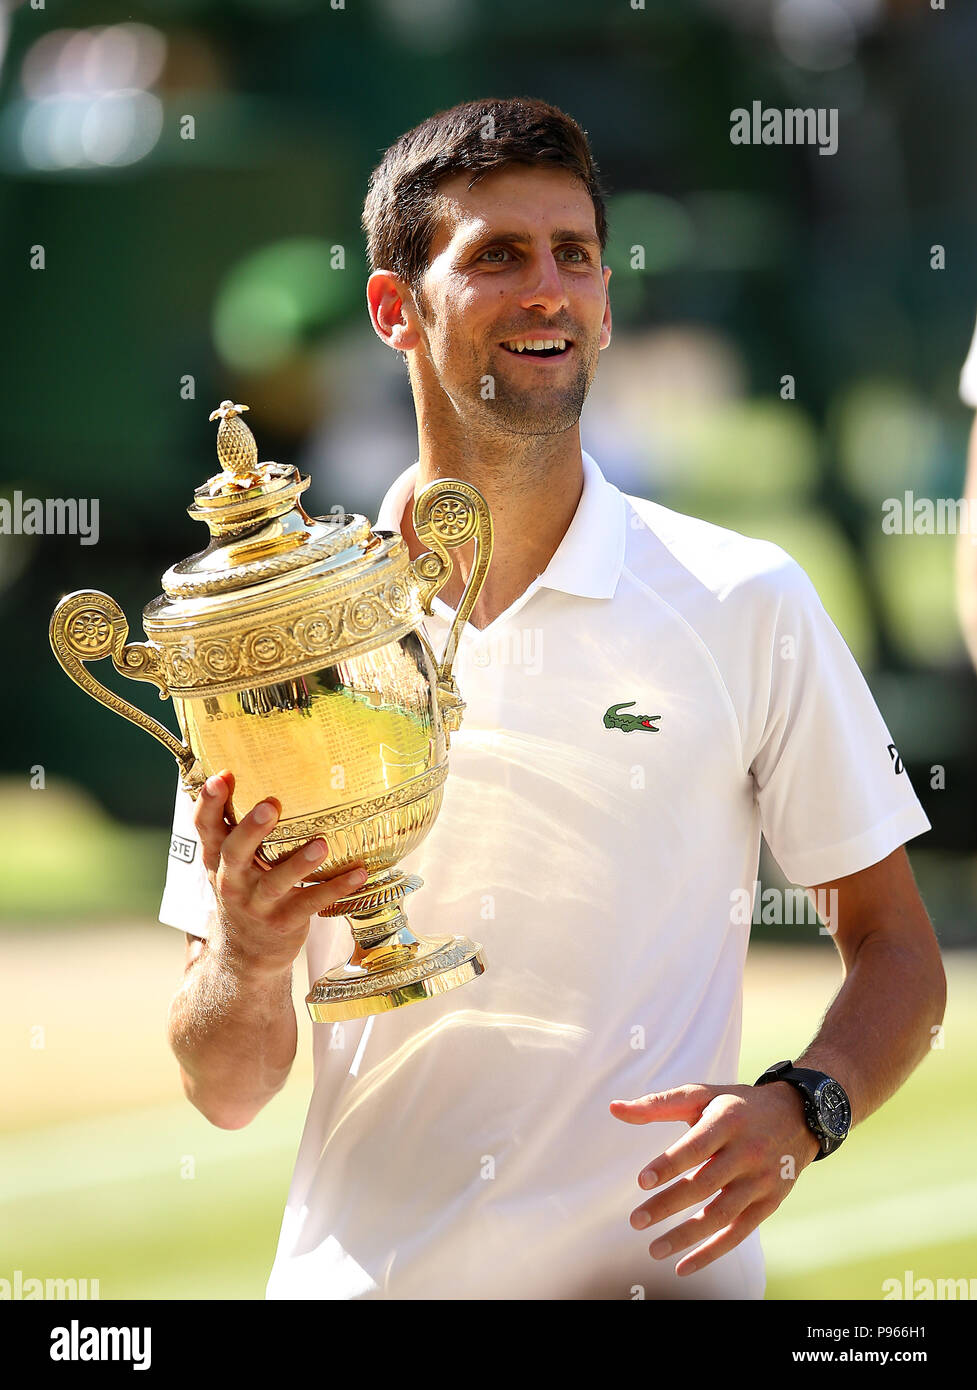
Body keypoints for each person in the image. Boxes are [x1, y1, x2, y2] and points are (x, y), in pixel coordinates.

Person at [161, 97, 945, 1300]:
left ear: (607, 301)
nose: (548, 291)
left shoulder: (744, 597)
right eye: (495, 257)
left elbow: (896, 951)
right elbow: (225, 1088)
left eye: (573, 254)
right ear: (393, 312)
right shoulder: (266, 647)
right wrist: (249, 959)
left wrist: (806, 1102)